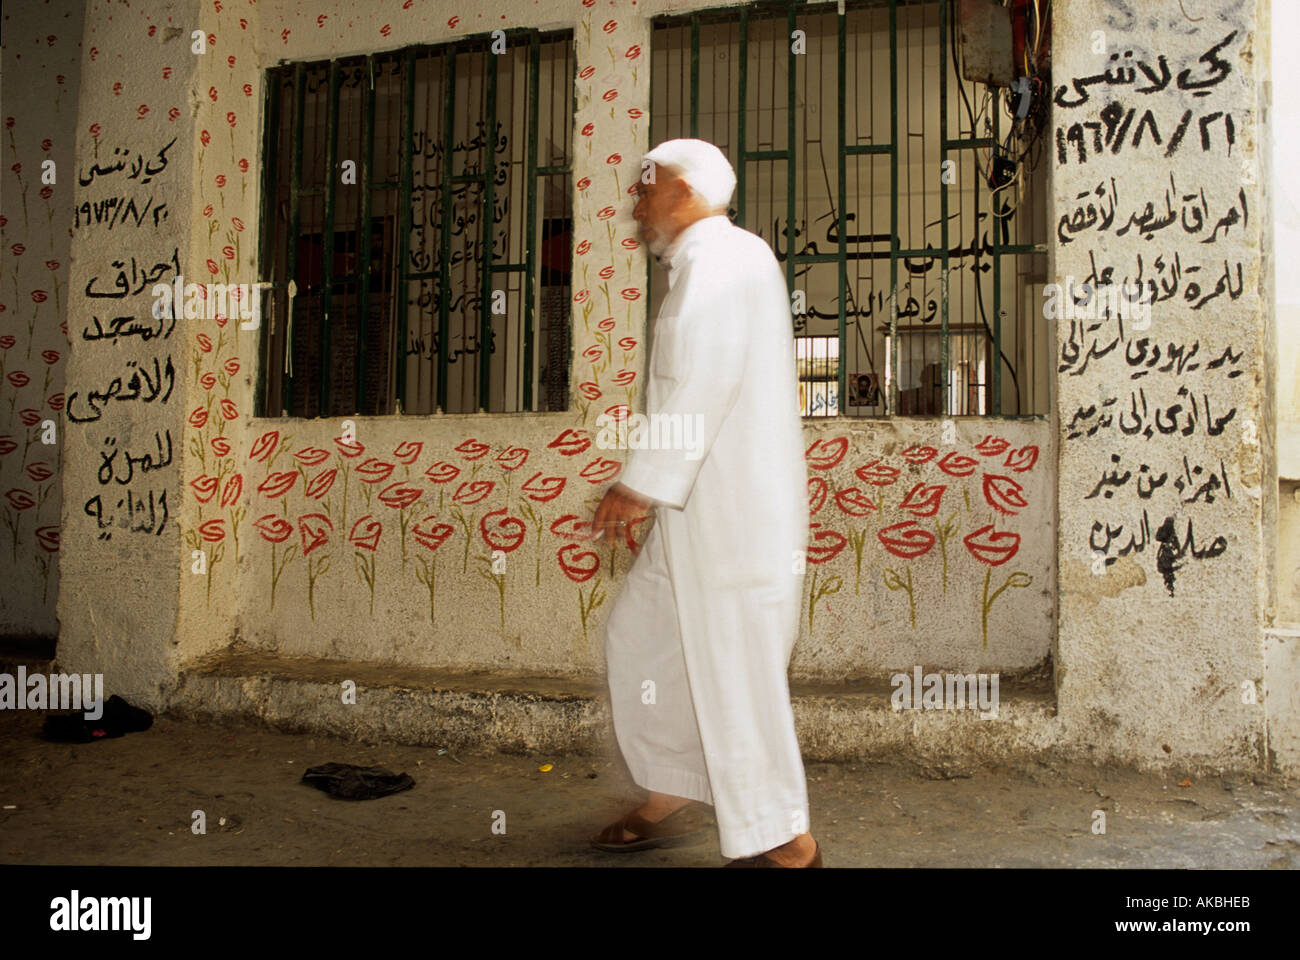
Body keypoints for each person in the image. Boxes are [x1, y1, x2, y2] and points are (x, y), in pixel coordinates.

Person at [587, 138, 821, 868]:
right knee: (645, 636)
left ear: (684, 191)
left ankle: (786, 840)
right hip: (700, 510)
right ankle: (674, 784)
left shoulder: (723, 261)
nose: (635, 200)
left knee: (736, 670)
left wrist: (639, 483)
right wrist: (656, 489)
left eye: (645, 186)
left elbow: (705, 383)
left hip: (733, 517)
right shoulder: (711, 260)